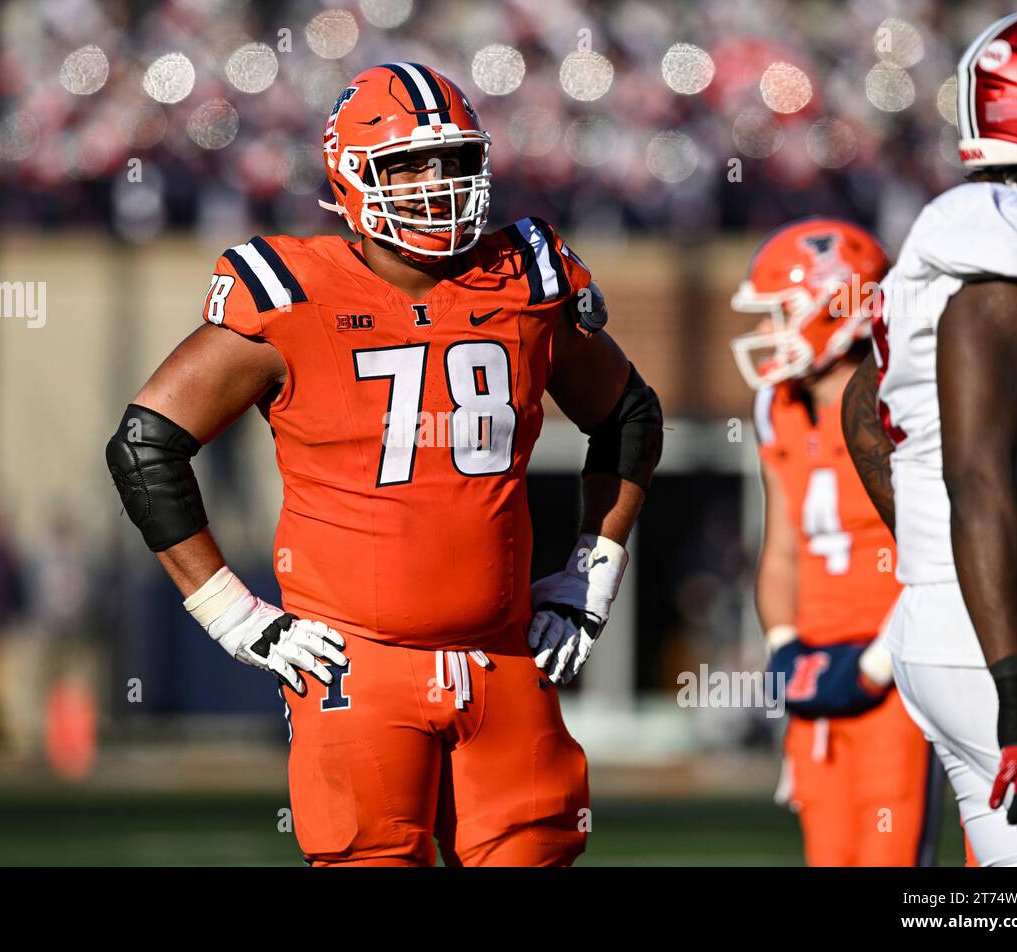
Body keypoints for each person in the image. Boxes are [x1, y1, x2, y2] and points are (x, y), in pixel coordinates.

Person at [107, 62, 662, 866]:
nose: (435, 183)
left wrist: (591, 574)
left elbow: (628, 417)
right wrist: (229, 610)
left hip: (502, 654)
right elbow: (147, 443)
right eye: (408, 164)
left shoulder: (525, 280)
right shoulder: (292, 294)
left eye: (453, 160)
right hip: (356, 666)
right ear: (350, 176)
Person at [842, 7, 1017, 865]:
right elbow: (977, 473)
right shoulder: (1016, 252)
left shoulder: (989, 240)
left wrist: (933, 564)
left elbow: (865, 408)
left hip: (967, 627)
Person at [733, 218, 939, 866]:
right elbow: (782, 549)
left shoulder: (902, 406)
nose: (767, 333)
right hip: (818, 675)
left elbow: (944, 554)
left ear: (838, 304)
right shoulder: (778, 407)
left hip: (899, 673)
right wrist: (784, 647)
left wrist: (879, 663)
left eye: (781, 313)